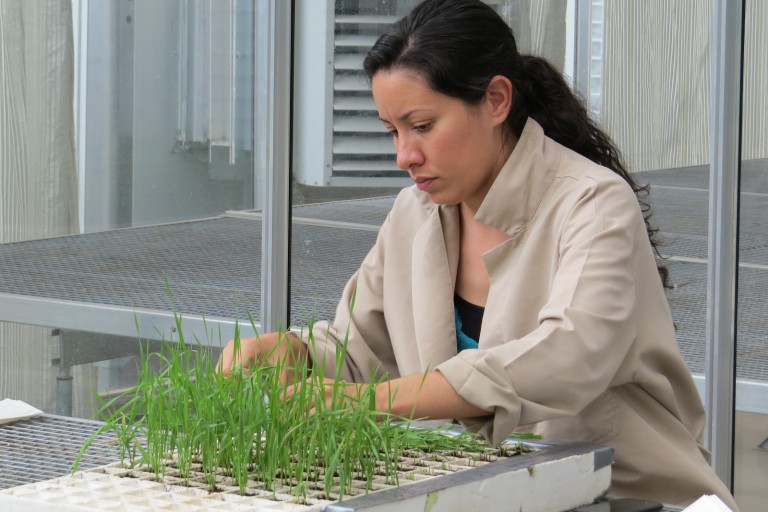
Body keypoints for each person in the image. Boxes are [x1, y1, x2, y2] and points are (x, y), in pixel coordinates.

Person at [219, 0, 739, 509]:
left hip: (624, 494)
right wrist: (296, 353)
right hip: (486, 490)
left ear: (495, 100)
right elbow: (361, 349)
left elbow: (569, 355)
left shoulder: (592, 202)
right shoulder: (414, 212)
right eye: (392, 132)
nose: (405, 155)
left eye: (422, 126)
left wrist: (364, 404)